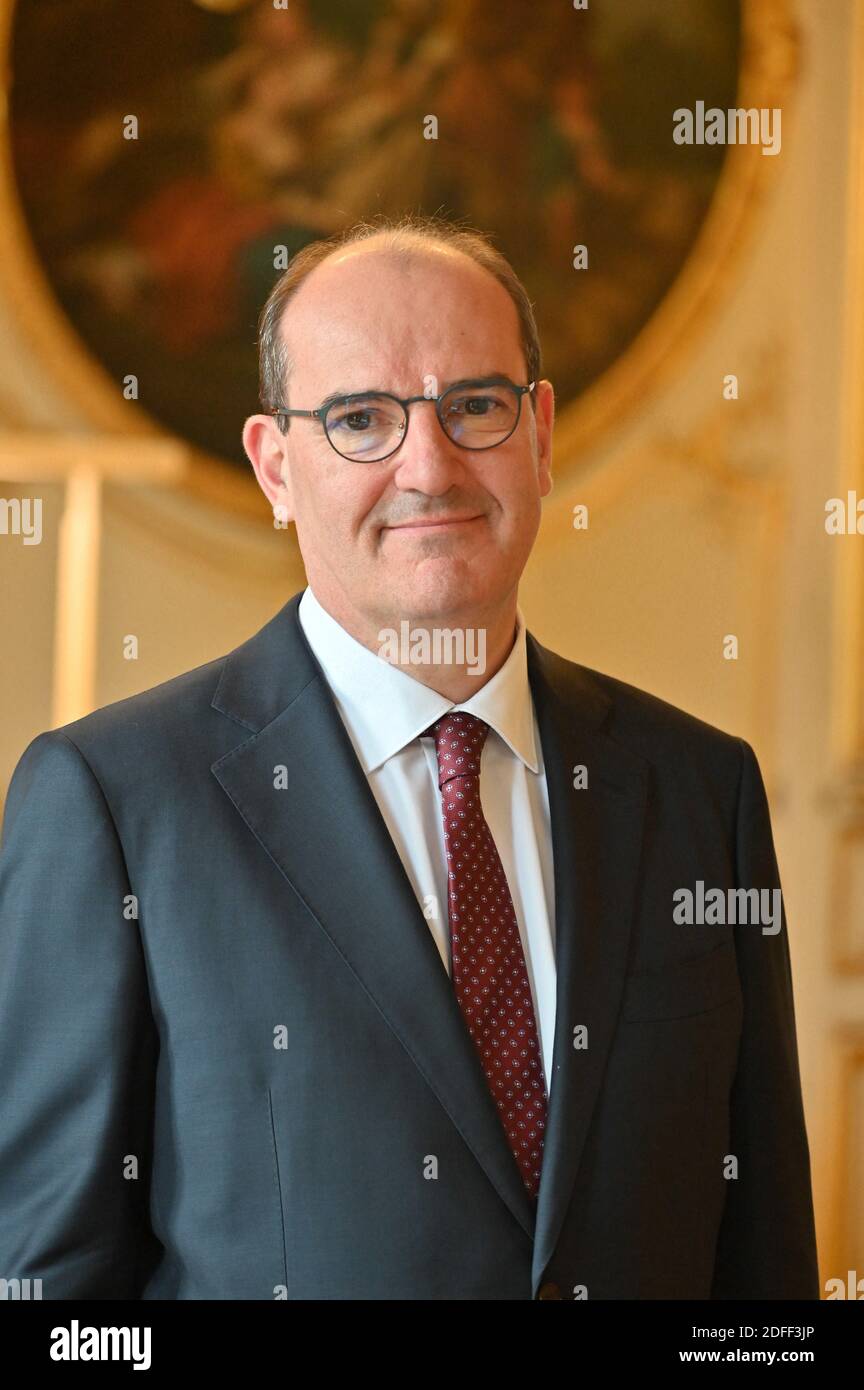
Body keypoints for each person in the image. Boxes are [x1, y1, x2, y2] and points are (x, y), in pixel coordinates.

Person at [0, 213, 818, 1300]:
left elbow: (762, 1275)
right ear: (276, 465)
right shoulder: (115, 805)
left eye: (475, 405)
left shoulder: (699, 791)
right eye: (361, 419)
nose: (428, 467)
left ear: (540, 435)